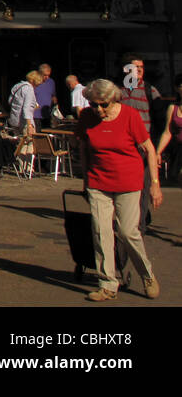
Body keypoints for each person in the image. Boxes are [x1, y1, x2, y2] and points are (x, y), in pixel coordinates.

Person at [75, 78, 162, 301]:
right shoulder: (86, 117)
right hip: (98, 182)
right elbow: (84, 150)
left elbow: (149, 150)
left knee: (127, 232)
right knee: (101, 232)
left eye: (104, 104)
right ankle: (107, 284)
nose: (99, 109)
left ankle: (147, 275)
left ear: (113, 99)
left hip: (129, 182)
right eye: (94, 104)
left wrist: (154, 184)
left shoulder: (130, 116)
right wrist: (85, 180)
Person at [122, 55, 162, 231]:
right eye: (134, 67)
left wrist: (158, 149)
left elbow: (160, 122)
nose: (138, 70)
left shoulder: (150, 91)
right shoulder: (118, 92)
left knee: (144, 188)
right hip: (123, 147)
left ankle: (140, 226)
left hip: (144, 147)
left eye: (141, 67)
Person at [154, 75, 182, 186]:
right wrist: (158, 152)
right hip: (179, 151)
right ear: (176, 88)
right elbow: (167, 132)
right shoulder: (173, 108)